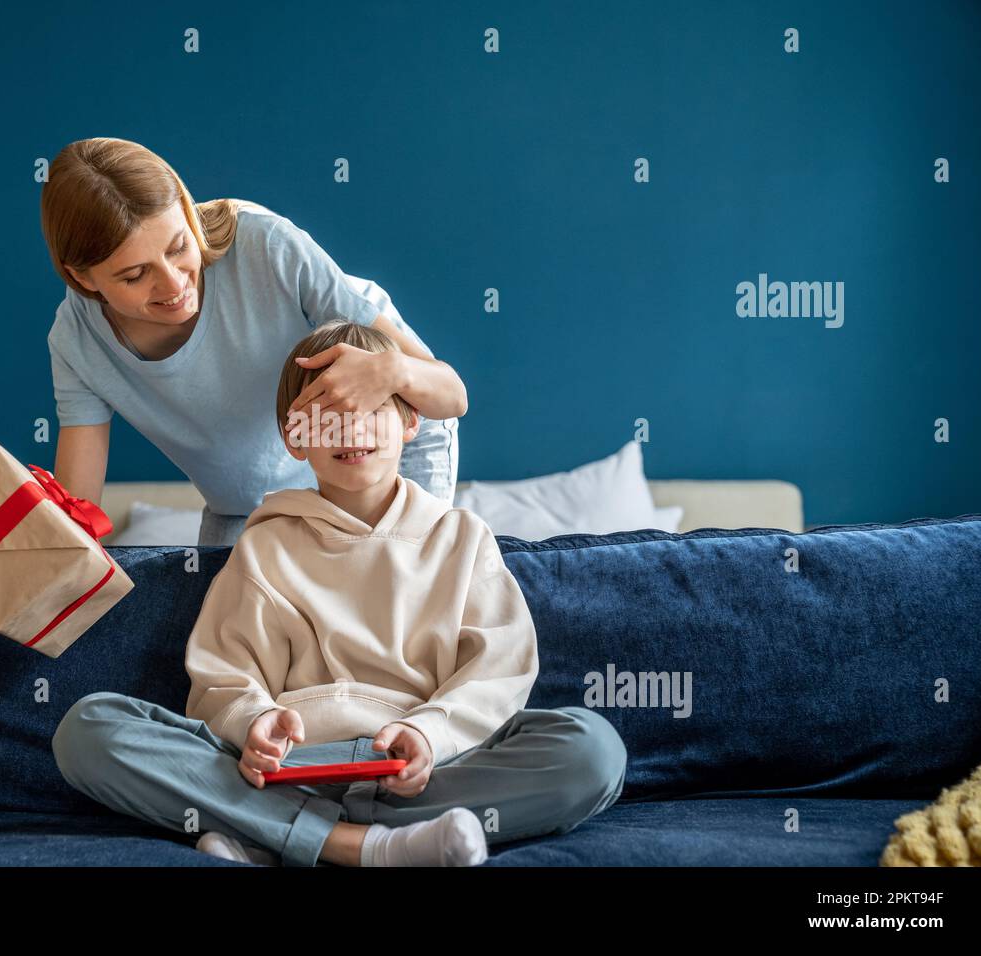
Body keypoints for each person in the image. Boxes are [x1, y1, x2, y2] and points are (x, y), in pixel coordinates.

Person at [50, 322, 627, 867]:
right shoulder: (266, 545)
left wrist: (429, 733)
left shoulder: (462, 539)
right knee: (89, 727)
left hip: (421, 773)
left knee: (594, 750)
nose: (350, 428)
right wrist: (255, 722)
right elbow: (225, 672)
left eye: (372, 406)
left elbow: (499, 671)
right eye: (324, 412)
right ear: (294, 440)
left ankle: (269, 835)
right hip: (289, 770)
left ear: (411, 422)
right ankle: (364, 847)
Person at [40, 137, 464, 546]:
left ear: (188, 215)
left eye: (179, 246)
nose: (173, 284)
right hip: (244, 505)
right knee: (224, 609)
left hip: (382, 456)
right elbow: (76, 521)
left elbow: (451, 396)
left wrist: (390, 370)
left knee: (390, 587)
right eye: (135, 275)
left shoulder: (267, 246)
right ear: (81, 278)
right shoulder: (77, 343)